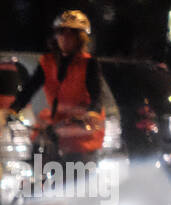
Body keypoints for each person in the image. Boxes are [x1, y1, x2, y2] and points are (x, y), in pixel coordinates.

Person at [8, 9, 105, 155]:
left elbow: (96, 93)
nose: (64, 38)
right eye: (61, 32)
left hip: (81, 127)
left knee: (77, 165)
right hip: (57, 122)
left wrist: (93, 112)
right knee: (37, 152)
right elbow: (30, 88)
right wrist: (14, 108)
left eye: (71, 33)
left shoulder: (88, 63)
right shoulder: (47, 61)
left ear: (80, 38)